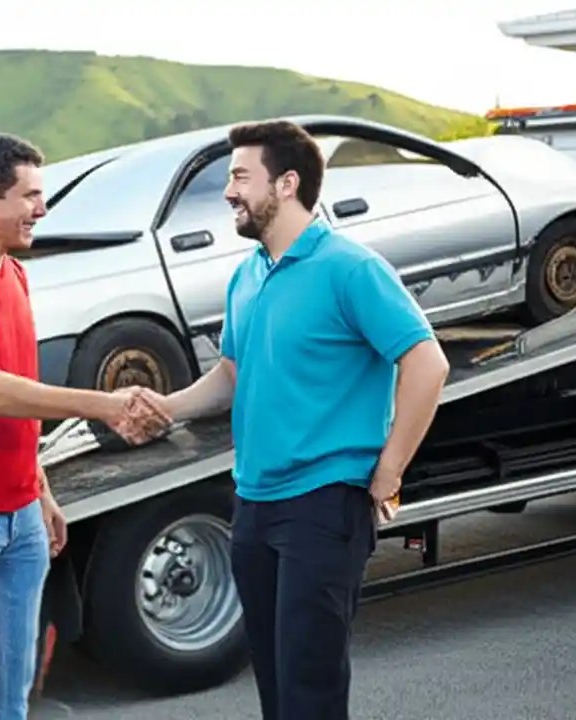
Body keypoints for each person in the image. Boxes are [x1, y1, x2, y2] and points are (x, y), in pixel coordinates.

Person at [136, 120, 450, 720]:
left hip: (324, 505)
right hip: (254, 503)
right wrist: (167, 409)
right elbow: (233, 374)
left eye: (239, 176)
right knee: (277, 684)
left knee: (311, 689)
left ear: (285, 183)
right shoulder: (247, 274)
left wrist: (389, 470)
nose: (228, 191)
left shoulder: (350, 268)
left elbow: (426, 363)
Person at [0, 132, 169, 719]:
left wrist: (39, 487)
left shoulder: (13, 276)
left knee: (10, 688)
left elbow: (20, 391)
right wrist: (105, 404)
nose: (42, 210)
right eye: (31, 196)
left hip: (18, 514)